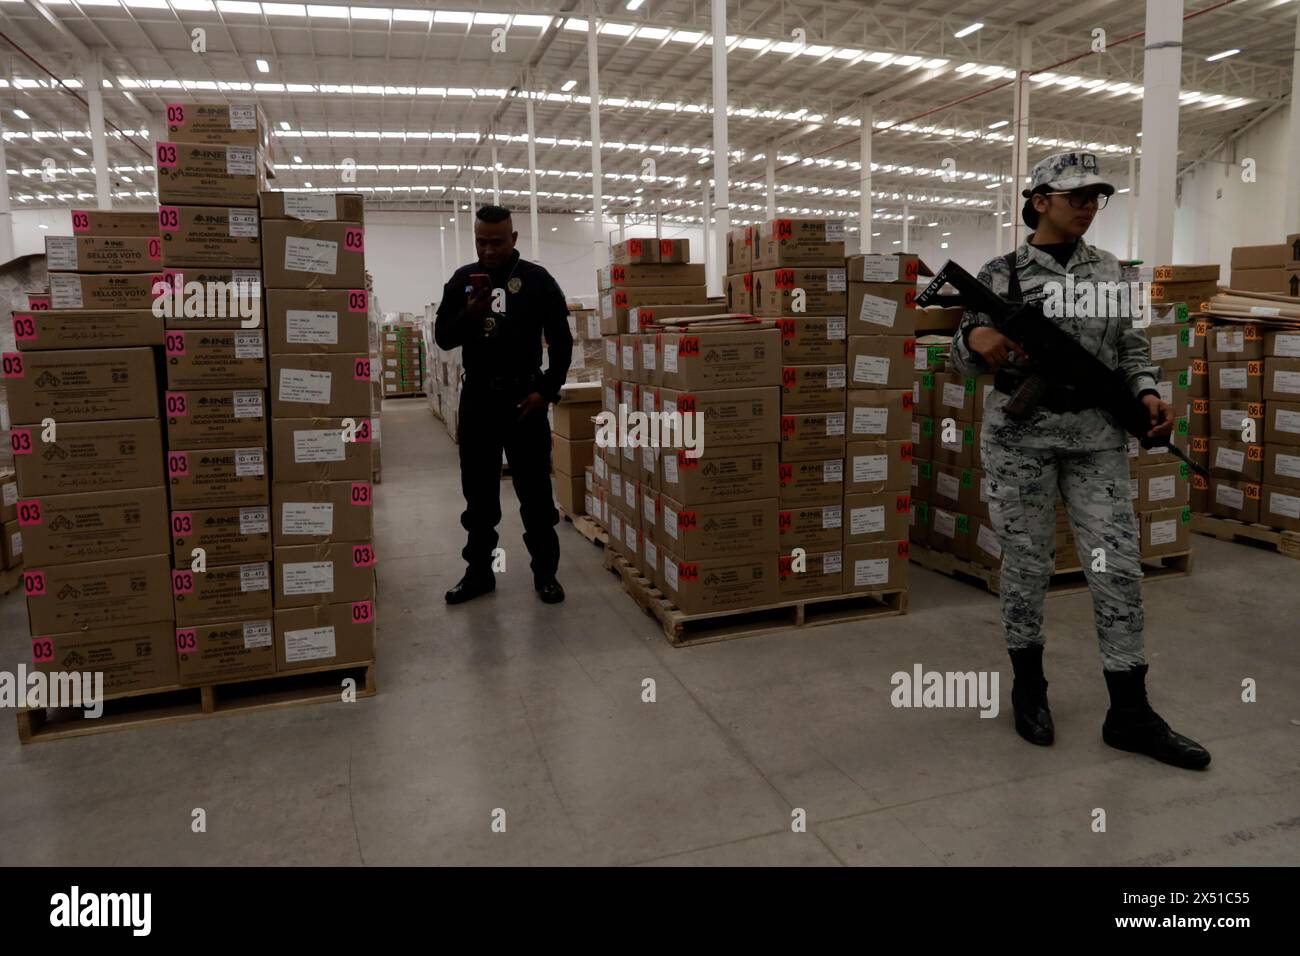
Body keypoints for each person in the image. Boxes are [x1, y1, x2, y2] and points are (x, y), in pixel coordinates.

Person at [949, 151, 1210, 770]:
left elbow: (1131, 346)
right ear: (1040, 201)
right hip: (1021, 441)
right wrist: (973, 339)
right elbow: (963, 354)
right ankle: (1029, 687)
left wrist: (1147, 391)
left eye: (1097, 198)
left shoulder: (1114, 273)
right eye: (1076, 198)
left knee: (1118, 566)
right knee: (1027, 566)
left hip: (1096, 439)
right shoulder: (1001, 272)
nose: (1089, 207)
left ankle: (1130, 713)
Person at [434, 205, 572, 605]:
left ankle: (545, 574)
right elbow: (443, 337)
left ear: (513, 238)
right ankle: (480, 574)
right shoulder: (462, 281)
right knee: (479, 498)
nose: (488, 250)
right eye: (481, 241)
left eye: (496, 241)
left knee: (535, 496)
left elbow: (561, 343)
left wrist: (545, 392)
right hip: (478, 399)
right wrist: (469, 314)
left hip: (524, 401)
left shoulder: (537, 281)